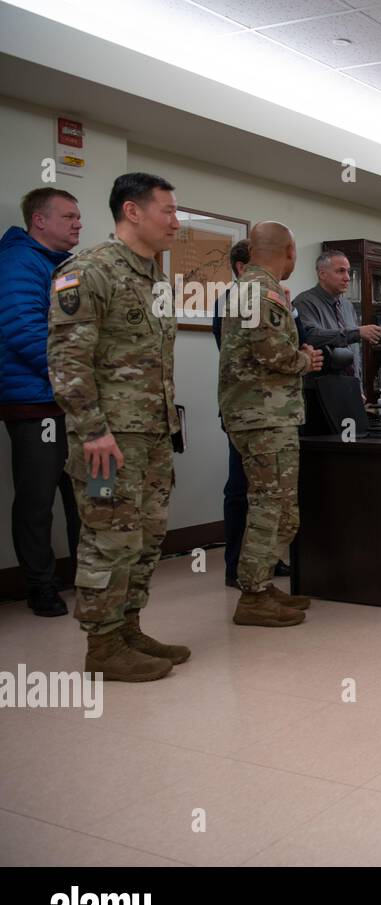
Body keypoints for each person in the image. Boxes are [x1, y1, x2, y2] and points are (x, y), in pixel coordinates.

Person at [47, 172, 190, 681]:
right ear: (133, 212)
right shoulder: (88, 271)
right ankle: (102, 646)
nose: (176, 221)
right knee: (109, 538)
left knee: (147, 536)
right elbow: (67, 363)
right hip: (108, 440)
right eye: (168, 211)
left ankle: (128, 627)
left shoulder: (153, 277)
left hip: (151, 434)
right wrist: (93, 431)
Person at [219, 221, 323, 627]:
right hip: (264, 416)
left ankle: (261, 585)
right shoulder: (260, 292)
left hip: (258, 414)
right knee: (271, 507)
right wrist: (306, 360)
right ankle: (253, 595)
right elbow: (272, 355)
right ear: (289, 252)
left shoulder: (247, 289)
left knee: (276, 506)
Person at [0, 187, 82, 616]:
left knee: (84, 497)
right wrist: (74, 382)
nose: (77, 223)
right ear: (39, 220)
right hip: (38, 405)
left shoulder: (64, 266)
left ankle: (87, 581)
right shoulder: (19, 262)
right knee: (37, 501)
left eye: (78, 217)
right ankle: (40, 586)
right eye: (68, 216)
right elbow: (23, 331)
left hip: (68, 403)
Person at [293, 250, 381, 389]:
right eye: (341, 271)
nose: (347, 277)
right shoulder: (305, 302)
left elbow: (354, 352)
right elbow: (310, 336)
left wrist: (357, 385)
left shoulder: (347, 306)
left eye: (348, 271)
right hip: (319, 388)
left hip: (348, 387)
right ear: (322, 274)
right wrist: (356, 333)